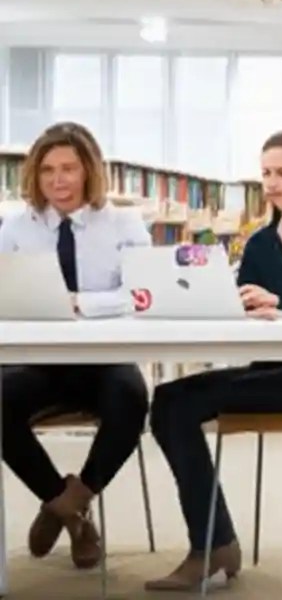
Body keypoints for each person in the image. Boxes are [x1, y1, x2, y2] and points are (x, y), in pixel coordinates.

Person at [145, 129, 282, 591]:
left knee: (178, 404)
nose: (271, 183)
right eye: (265, 173)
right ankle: (215, 540)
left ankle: (211, 547)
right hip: (266, 371)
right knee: (167, 402)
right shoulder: (259, 243)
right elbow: (245, 309)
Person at [0, 121, 151, 569]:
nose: (58, 180)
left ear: (89, 170)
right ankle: (65, 506)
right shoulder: (14, 229)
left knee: (132, 399)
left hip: (103, 360)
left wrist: (81, 303)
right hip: (37, 363)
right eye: (47, 170)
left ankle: (74, 499)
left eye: (68, 168)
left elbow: (142, 294)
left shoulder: (123, 223)